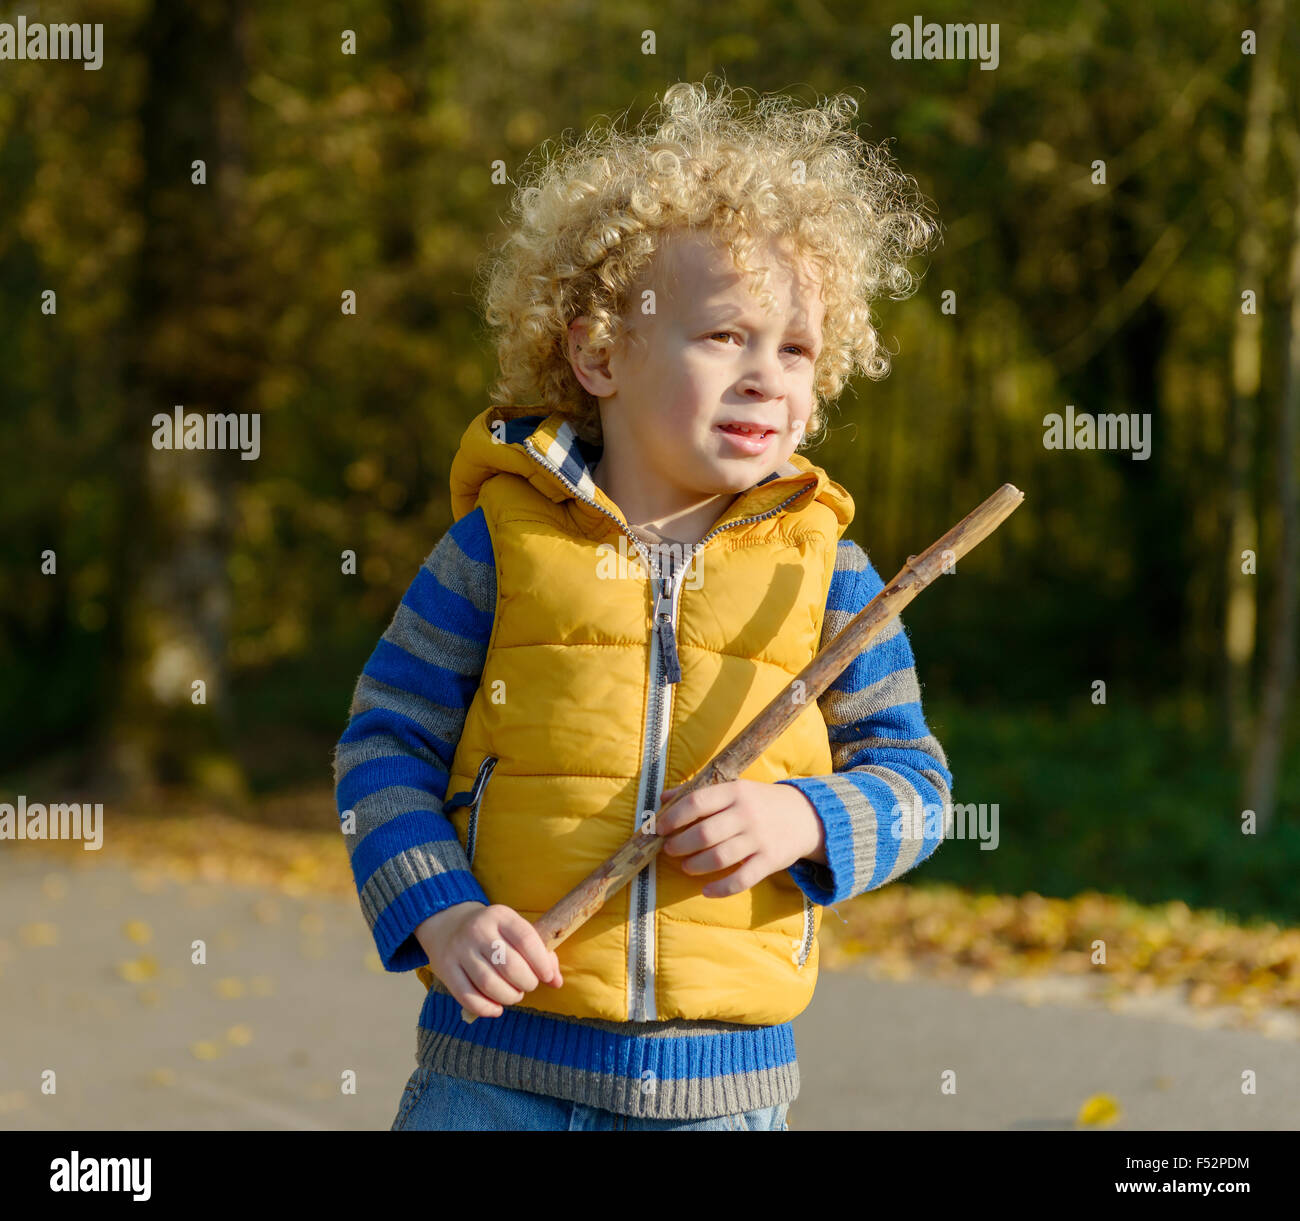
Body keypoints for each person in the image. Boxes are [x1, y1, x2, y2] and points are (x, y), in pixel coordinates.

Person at [333, 77, 953, 1132]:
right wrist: (438, 913)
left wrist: (802, 816)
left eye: (795, 350)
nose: (766, 377)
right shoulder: (498, 545)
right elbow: (380, 752)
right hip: (492, 1077)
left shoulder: (831, 572)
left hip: (718, 1096)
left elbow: (918, 785)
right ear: (600, 352)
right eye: (724, 338)